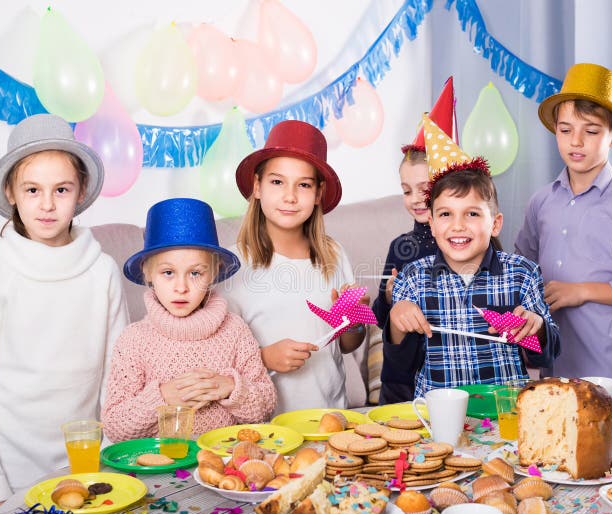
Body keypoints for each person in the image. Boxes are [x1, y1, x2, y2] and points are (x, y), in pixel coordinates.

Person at [0, 114, 129, 514]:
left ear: (81, 191)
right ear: (11, 192)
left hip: (86, 465)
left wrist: (108, 459)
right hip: (11, 473)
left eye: (61, 189)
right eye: (33, 189)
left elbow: (115, 375)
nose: (48, 204)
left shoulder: (102, 270)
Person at [384, 115, 559, 396]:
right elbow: (401, 366)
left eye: (472, 213)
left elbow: (546, 356)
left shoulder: (521, 273)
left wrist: (536, 328)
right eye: (445, 214)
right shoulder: (413, 277)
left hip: (506, 414)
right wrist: (396, 322)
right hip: (437, 416)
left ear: (495, 224)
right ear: (431, 221)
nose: (457, 225)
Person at [218, 120, 367, 414]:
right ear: (257, 187)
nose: (290, 196)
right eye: (277, 182)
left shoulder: (333, 254)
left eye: (303, 185)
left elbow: (348, 344)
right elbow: (218, 358)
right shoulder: (233, 266)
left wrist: (355, 320)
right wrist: (264, 357)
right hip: (265, 424)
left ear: (318, 194)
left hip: (330, 417)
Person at [515, 63, 612, 378]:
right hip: (553, 365)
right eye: (565, 130)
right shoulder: (541, 202)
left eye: (590, 131)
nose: (576, 141)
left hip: (610, 363)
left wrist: (582, 291)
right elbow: (521, 269)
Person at [101, 198, 276, 441]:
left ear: (213, 272)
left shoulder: (234, 330)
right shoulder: (134, 340)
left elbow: (266, 406)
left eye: (195, 273)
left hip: (223, 463)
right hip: (162, 468)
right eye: (168, 273)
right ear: (148, 273)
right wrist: (162, 397)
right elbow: (115, 427)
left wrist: (230, 387)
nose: (181, 287)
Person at [374, 78, 455, 404]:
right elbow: (381, 317)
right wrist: (390, 298)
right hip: (401, 380)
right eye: (407, 190)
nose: (416, 198)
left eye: (425, 187)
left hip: (449, 375)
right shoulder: (401, 246)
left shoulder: (468, 242)